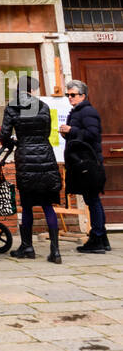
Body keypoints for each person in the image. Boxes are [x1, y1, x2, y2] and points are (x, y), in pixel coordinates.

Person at [0, 85, 63, 264]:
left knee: (27, 205)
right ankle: (55, 251)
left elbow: (4, 135)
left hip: (26, 157)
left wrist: (15, 142)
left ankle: (27, 247)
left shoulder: (12, 107)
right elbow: (48, 132)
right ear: (32, 90)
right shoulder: (43, 106)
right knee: (47, 205)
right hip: (45, 155)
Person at [60, 79, 110, 254]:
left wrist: (71, 130)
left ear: (83, 95)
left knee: (92, 199)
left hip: (89, 162)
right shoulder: (78, 111)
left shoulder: (87, 111)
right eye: (68, 95)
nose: (70, 98)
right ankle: (102, 238)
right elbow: (80, 137)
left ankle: (97, 238)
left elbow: (92, 134)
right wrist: (68, 133)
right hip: (83, 161)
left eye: (73, 95)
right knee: (92, 199)